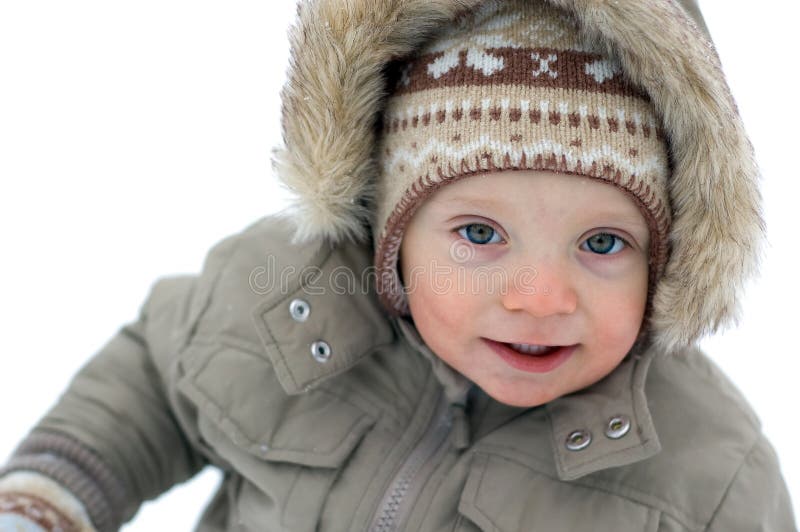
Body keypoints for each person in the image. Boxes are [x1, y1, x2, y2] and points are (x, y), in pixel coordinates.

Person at [0, 0, 795, 530]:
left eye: (602, 244)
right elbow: (158, 375)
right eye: (480, 234)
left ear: (672, 254)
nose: (540, 297)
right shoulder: (285, 302)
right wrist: (53, 494)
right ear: (393, 229)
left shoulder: (707, 480)